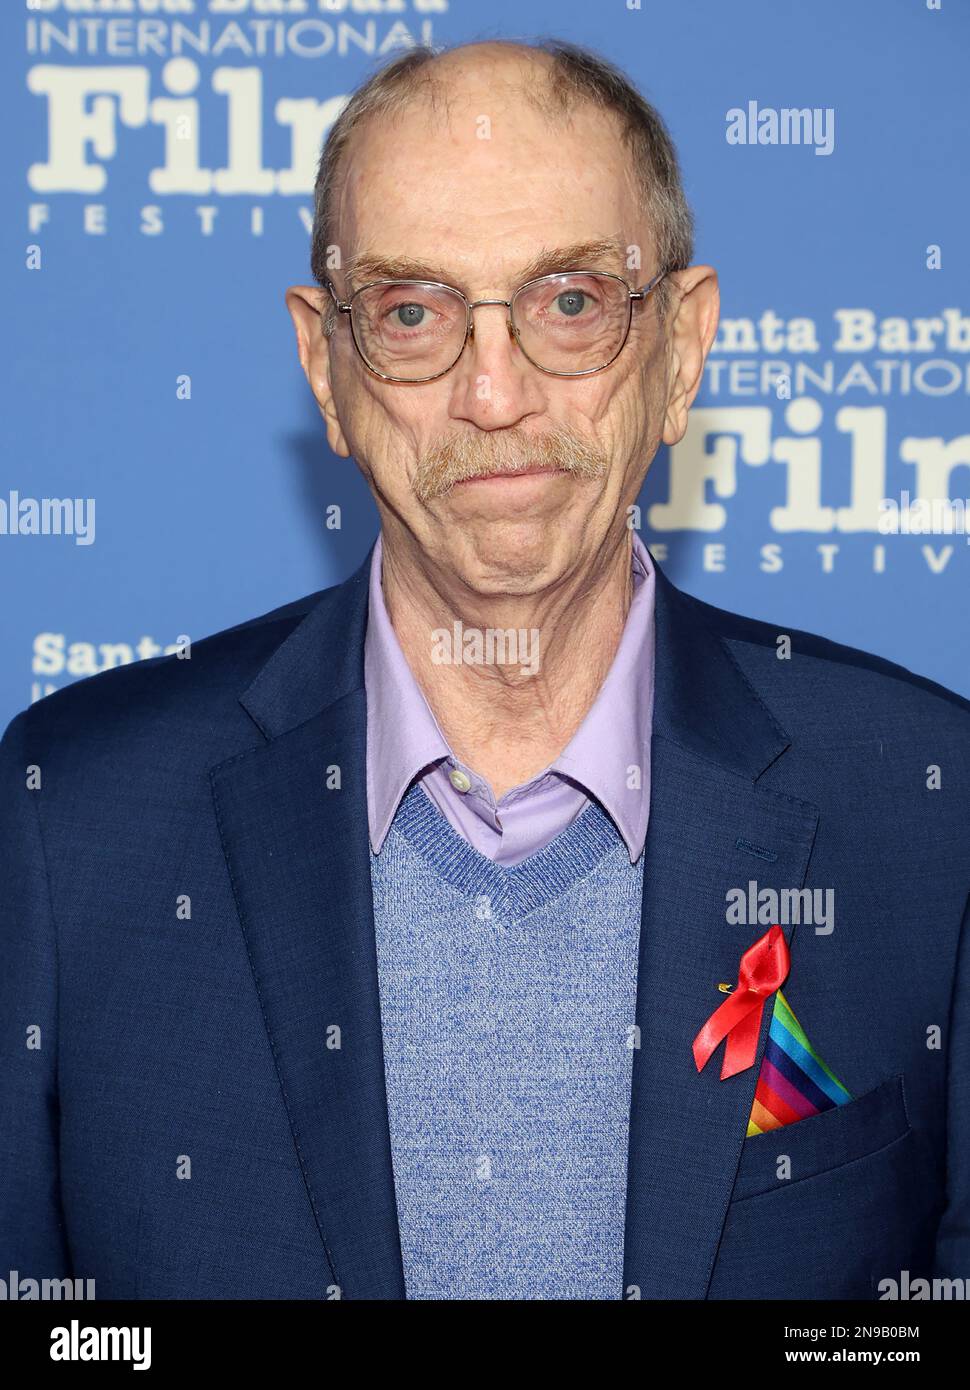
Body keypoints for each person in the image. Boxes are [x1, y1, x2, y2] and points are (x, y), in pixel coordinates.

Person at [2, 37, 968, 1302]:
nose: (495, 392)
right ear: (327, 369)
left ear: (680, 348)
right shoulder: (70, 821)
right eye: (415, 313)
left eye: (570, 300)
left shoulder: (923, 806)